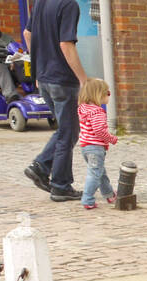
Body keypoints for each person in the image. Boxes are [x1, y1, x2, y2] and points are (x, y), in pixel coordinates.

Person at [23, 0, 87, 202]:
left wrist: (37, 68)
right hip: (62, 79)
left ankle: (42, 168)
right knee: (68, 133)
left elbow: (27, 34)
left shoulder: (41, 3)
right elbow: (66, 44)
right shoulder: (69, 5)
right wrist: (83, 80)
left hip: (44, 78)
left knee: (65, 130)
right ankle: (59, 185)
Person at [77, 78, 118, 210]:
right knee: (95, 174)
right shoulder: (97, 112)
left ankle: (109, 194)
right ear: (99, 94)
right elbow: (99, 130)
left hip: (85, 146)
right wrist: (111, 138)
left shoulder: (83, 109)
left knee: (100, 172)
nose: (109, 96)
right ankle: (87, 199)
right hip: (95, 148)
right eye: (108, 93)